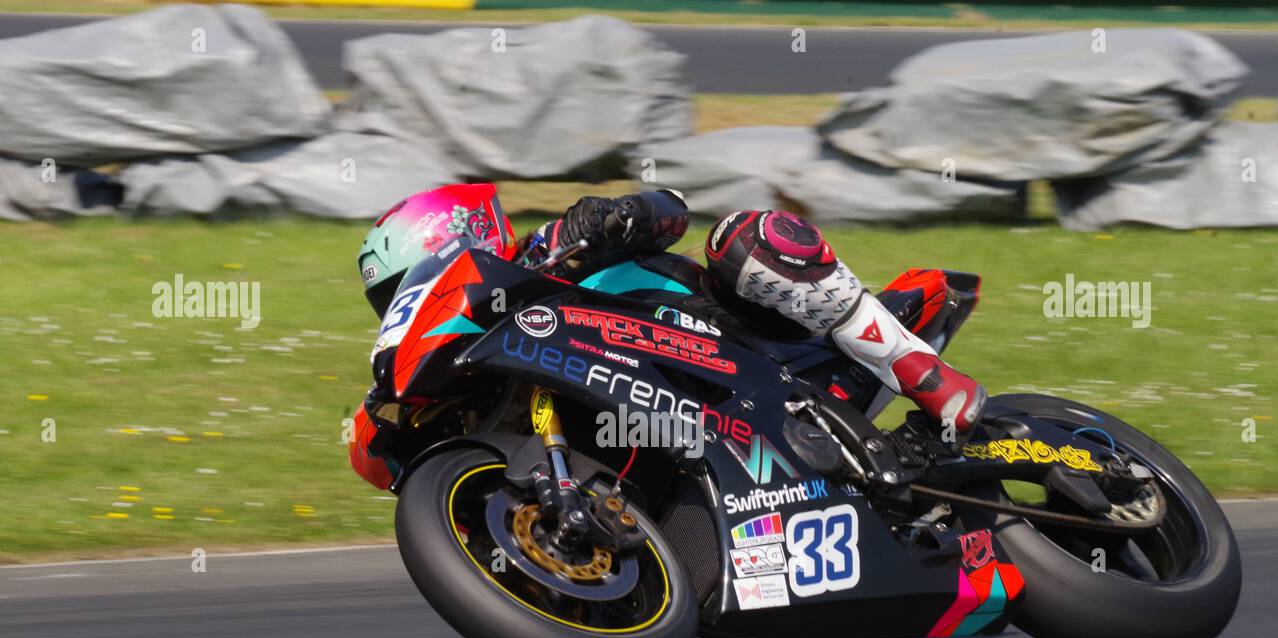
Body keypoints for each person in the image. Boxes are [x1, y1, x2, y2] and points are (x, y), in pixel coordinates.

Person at [358, 184, 986, 437]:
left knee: (742, 237)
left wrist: (619, 214)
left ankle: (919, 373)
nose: (407, 298)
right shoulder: (466, 367)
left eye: (406, 282)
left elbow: (672, 208)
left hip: (746, 341)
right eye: (392, 298)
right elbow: (376, 462)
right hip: (689, 425)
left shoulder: (554, 245)